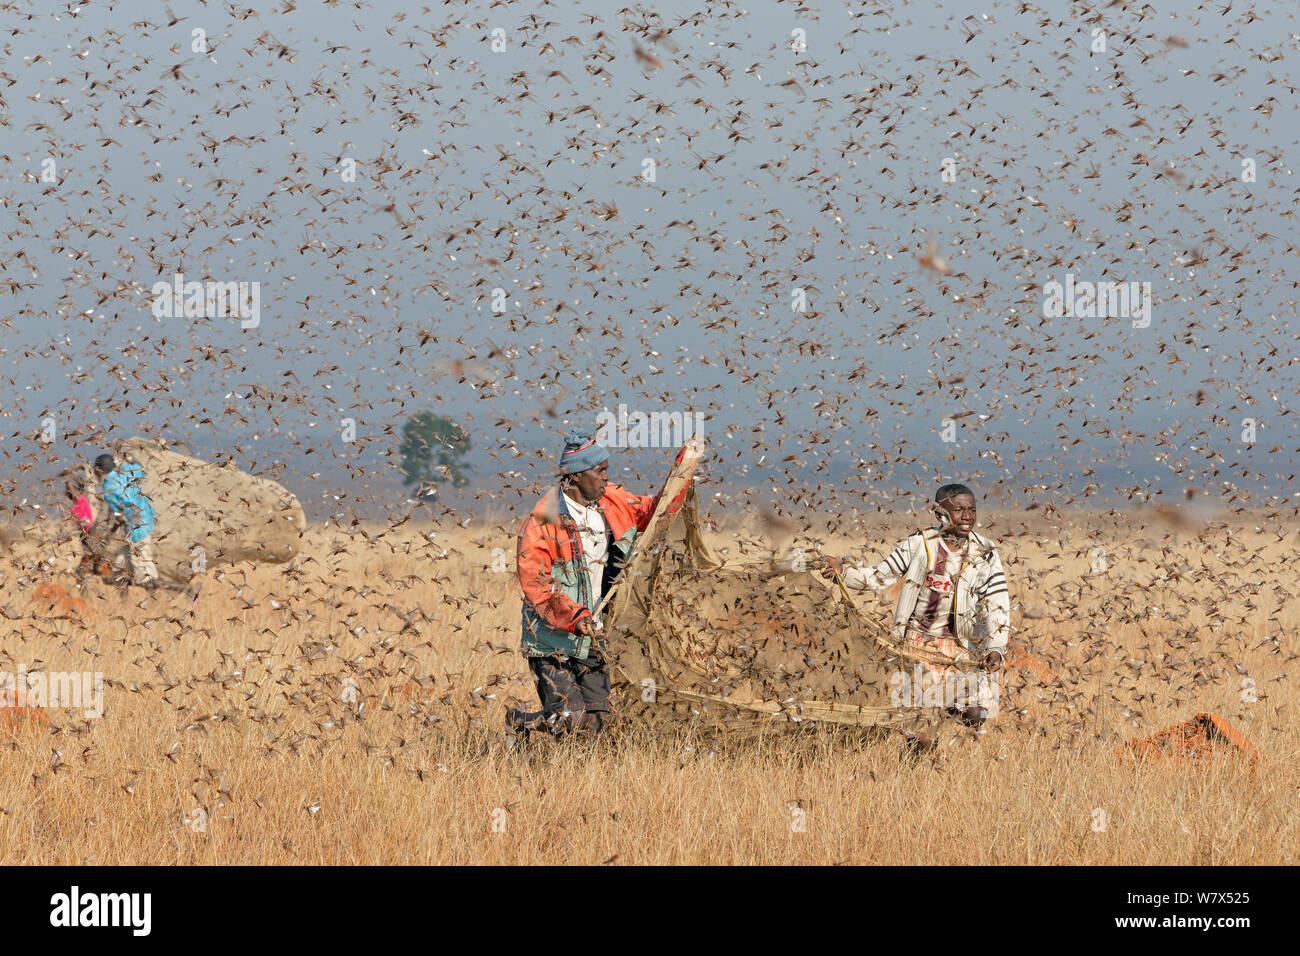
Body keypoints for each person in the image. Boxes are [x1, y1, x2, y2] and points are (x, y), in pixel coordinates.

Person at [510, 431, 687, 739]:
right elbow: (536, 584)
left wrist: (683, 472)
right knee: (571, 719)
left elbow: (656, 512)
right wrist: (576, 618)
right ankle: (523, 723)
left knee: (595, 725)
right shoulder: (542, 521)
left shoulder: (613, 501)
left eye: (607, 469)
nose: (607, 477)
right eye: (600, 471)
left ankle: (575, 775)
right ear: (576, 476)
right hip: (552, 640)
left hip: (595, 633)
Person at [820, 483, 1009, 727]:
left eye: (971, 510)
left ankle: (942, 710)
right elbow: (880, 576)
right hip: (917, 646)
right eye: (959, 510)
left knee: (975, 715)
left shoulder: (985, 552)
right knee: (919, 728)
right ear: (939, 513)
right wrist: (843, 572)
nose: (967, 517)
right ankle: (916, 750)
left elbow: (998, 602)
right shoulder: (919, 544)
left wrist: (996, 648)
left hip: (960, 647)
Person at [94, 453, 159, 589]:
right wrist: (131, 458)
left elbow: (120, 518)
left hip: (137, 530)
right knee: (120, 566)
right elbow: (140, 468)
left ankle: (162, 596)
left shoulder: (107, 489)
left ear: (100, 470)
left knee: (142, 570)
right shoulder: (125, 470)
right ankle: (125, 602)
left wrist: (107, 537)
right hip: (148, 518)